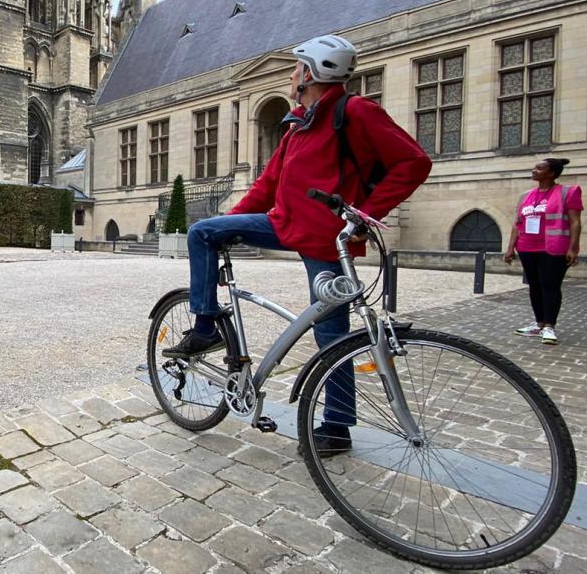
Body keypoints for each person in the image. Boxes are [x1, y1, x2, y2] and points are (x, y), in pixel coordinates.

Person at [163, 34, 432, 456]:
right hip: (282, 224)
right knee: (204, 232)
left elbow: (414, 162)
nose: (291, 77)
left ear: (309, 73)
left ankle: (336, 427)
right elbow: (268, 186)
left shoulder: (356, 112)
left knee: (333, 338)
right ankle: (204, 328)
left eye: (295, 69)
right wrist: (230, 224)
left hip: (325, 239)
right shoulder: (297, 125)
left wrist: (362, 215)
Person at [503, 159, 582, 345]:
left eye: (539, 168)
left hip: (553, 248)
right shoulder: (525, 196)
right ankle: (539, 323)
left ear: (551, 173)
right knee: (535, 286)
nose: (534, 170)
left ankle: (549, 326)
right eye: (535, 167)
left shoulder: (567, 192)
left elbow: (575, 222)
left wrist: (573, 247)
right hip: (527, 247)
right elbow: (517, 223)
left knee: (550, 286)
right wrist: (510, 248)